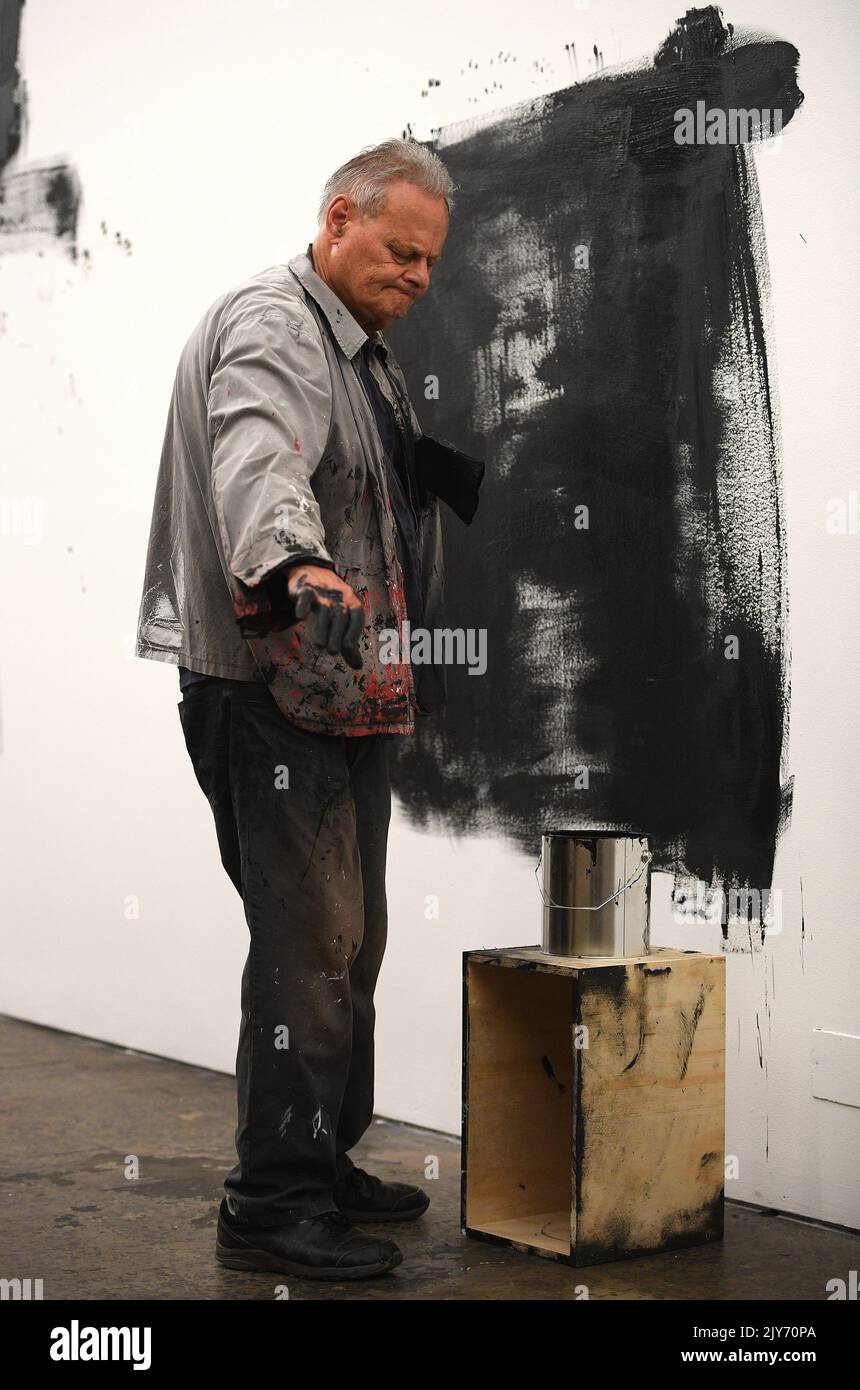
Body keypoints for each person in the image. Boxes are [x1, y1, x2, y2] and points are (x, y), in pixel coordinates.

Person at [134, 138, 483, 1281]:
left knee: (350, 942)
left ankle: (320, 1160)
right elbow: (259, 456)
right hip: (269, 692)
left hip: (342, 691)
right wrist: (292, 560)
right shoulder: (277, 327)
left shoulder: (358, 349)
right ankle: (270, 1203)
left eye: (429, 261)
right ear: (337, 219)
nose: (418, 277)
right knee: (305, 953)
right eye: (400, 251)